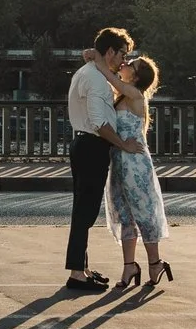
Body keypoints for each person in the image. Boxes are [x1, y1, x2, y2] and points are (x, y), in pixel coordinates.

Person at [62, 27, 140, 291]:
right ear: (109, 52)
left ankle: (80, 268)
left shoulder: (89, 72)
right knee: (85, 212)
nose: (123, 60)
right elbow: (99, 123)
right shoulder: (95, 80)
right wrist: (123, 145)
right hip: (92, 147)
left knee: (83, 210)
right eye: (122, 54)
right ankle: (76, 274)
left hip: (83, 145)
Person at [99, 53, 172, 289]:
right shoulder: (123, 96)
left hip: (134, 162)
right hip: (120, 160)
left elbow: (113, 79)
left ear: (137, 76)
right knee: (124, 213)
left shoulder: (134, 94)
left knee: (143, 212)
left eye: (132, 64)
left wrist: (97, 61)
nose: (126, 63)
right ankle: (129, 265)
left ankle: (155, 263)